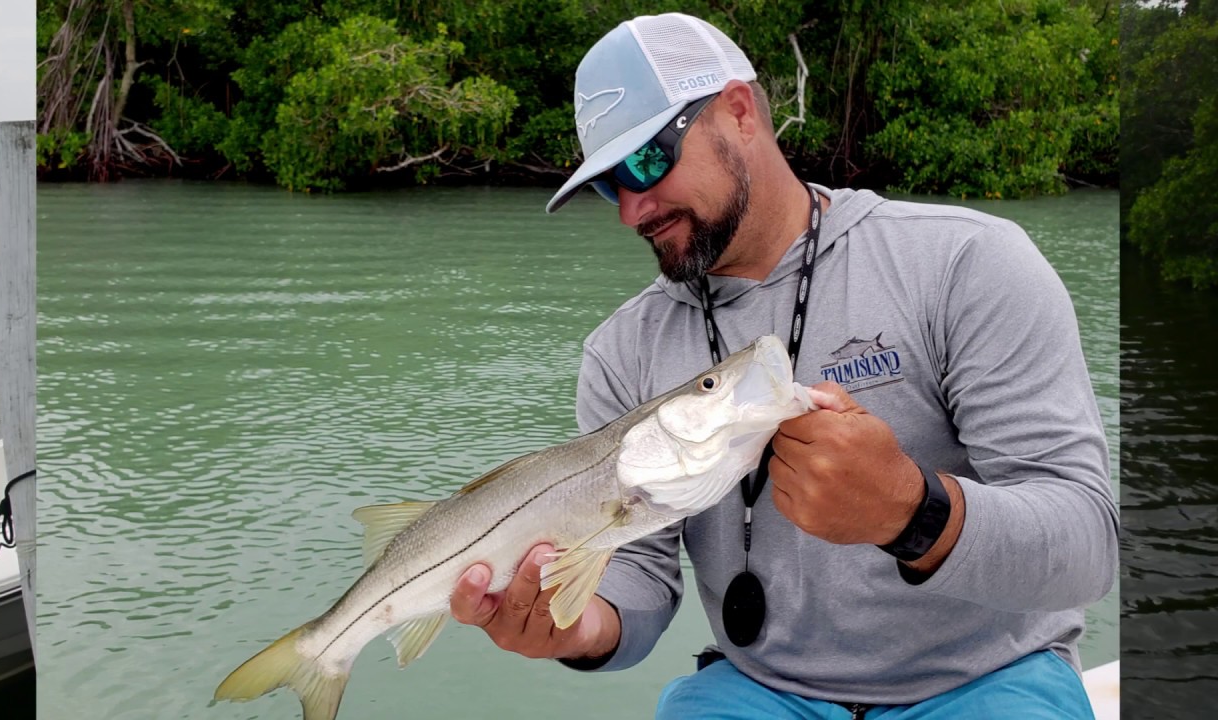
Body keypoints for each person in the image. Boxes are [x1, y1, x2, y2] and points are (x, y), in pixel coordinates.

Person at [450, 12, 1118, 719]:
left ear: (738, 113)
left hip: (989, 679)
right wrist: (579, 630)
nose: (631, 210)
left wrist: (911, 509)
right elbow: (639, 567)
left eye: (645, 161)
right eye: (608, 184)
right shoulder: (622, 350)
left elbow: (1086, 545)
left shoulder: (965, 263)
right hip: (761, 692)